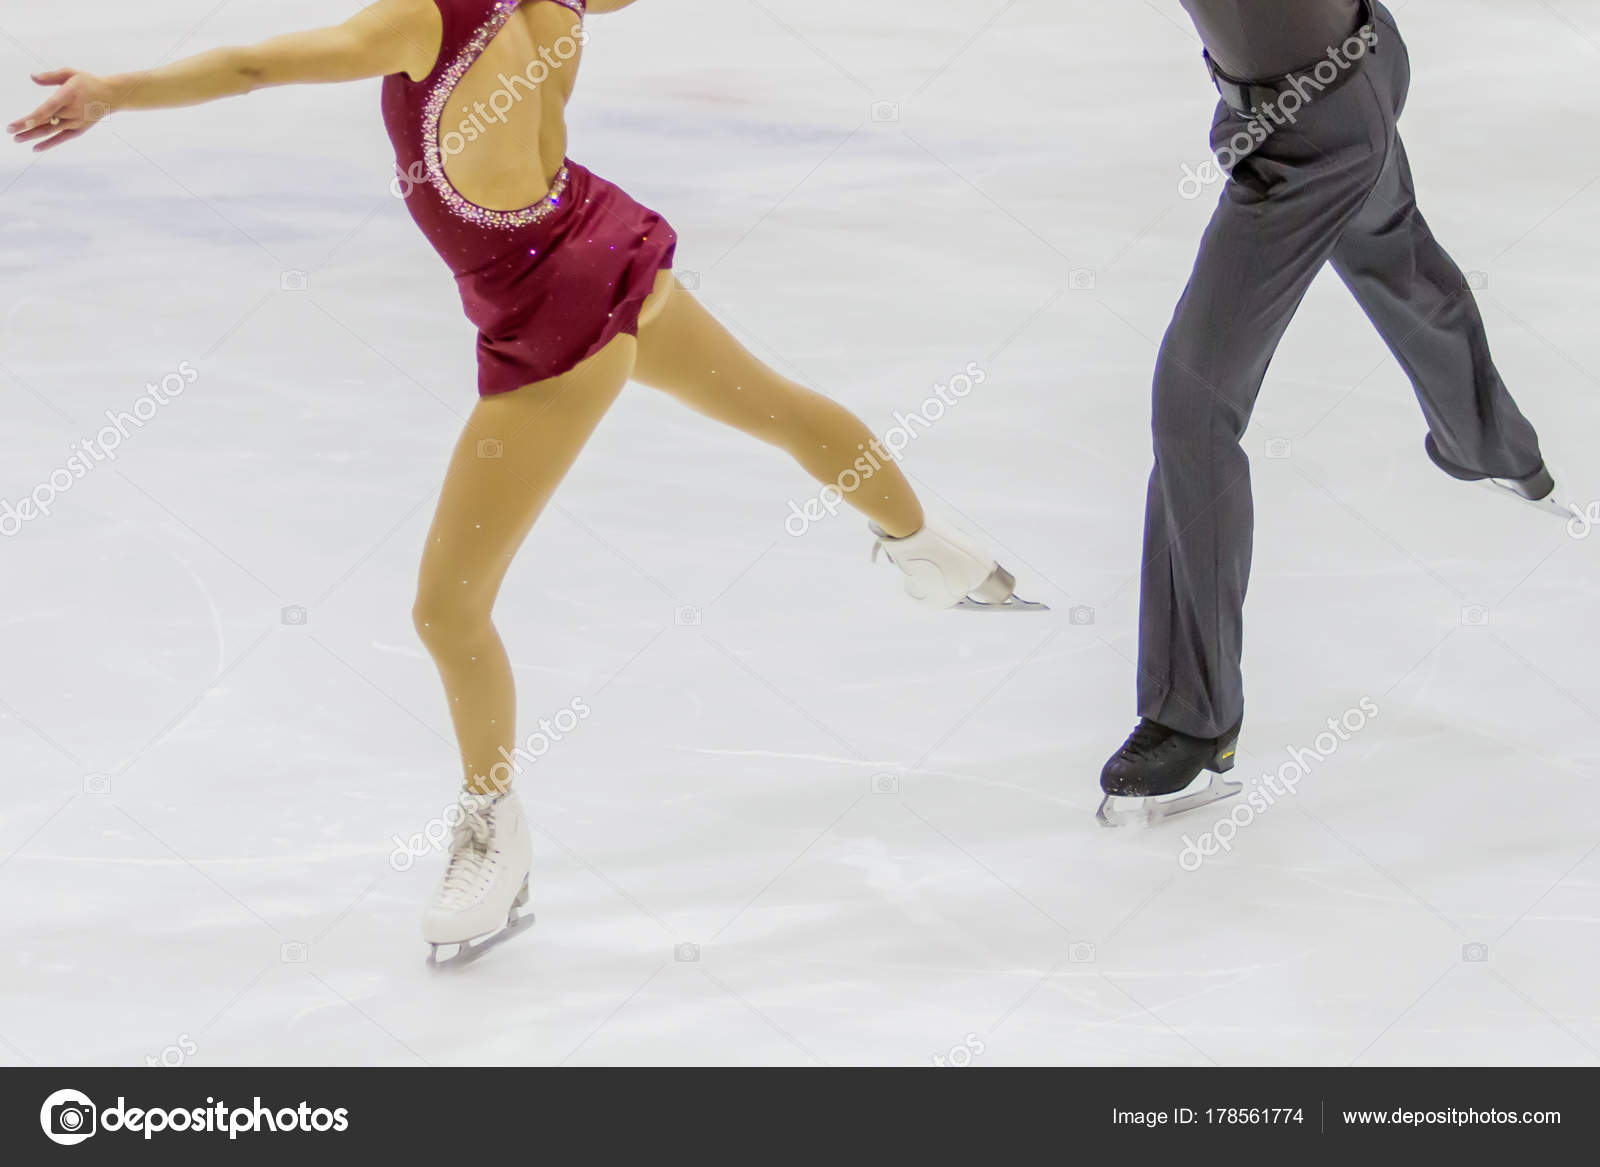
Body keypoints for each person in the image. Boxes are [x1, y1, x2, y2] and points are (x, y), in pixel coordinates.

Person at [9, 0, 1038, 962]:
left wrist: (115, 90)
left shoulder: (429, 18)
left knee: (447, 610)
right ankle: (935, 552)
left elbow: (250, 64)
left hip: (558, 320)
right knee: (776, 407)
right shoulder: (548, 8)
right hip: (597, 235)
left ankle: (493, 835)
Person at [1097, 0, 1567, 827]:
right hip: (1351, 76)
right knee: (1390, 252)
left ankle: (1195, 720)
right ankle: (1492, 444)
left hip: (1312, 135)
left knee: (1193, 406)